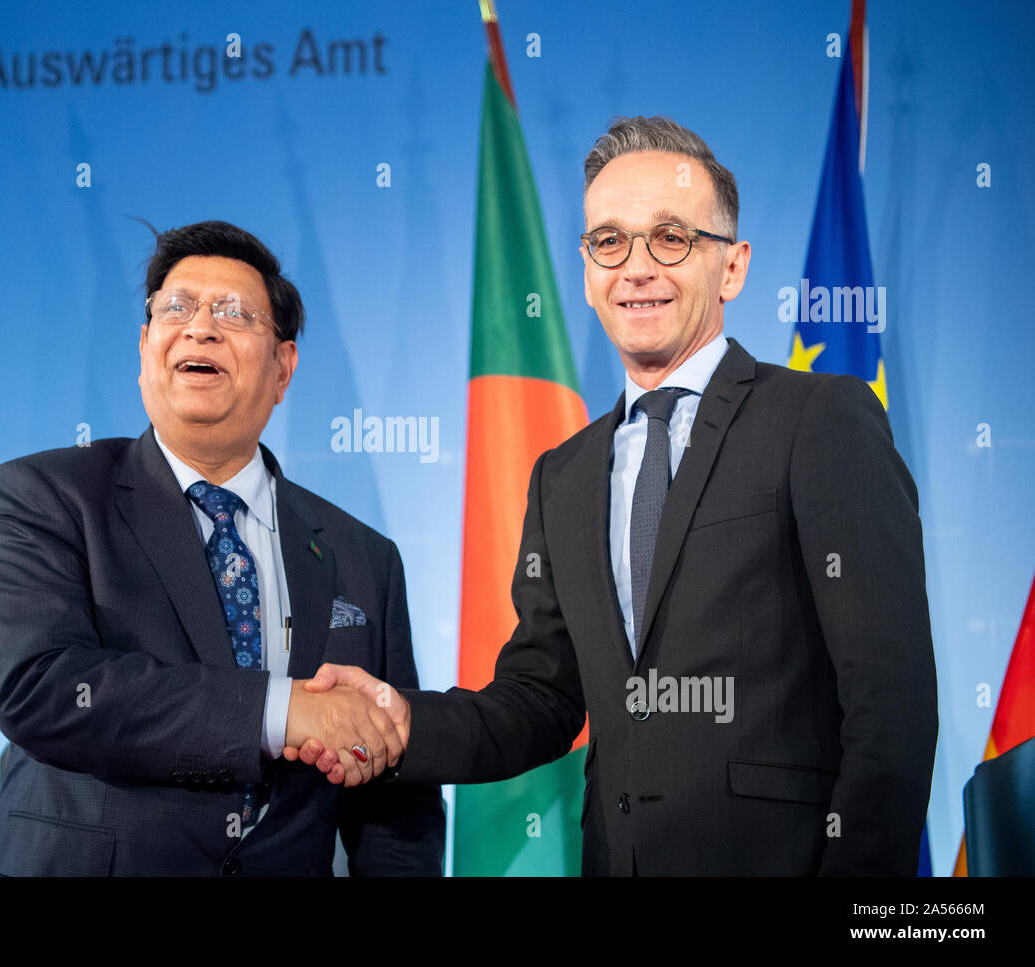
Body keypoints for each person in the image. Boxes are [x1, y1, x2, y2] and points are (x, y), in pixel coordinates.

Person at [293, 117, 938, 876]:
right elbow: (540, 699)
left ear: (731, 267)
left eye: (670, 237)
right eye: (609, 242)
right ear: (588, 271)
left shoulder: (821, 418)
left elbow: (890, 700)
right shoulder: (562, 474)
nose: (636, 267)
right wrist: (405, 723)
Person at [0, 220, 444, 876]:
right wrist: (283, 709)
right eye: (176, 307)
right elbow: (38, 685)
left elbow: (395, 797)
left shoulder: (366, 557)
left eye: (233, 313)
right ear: (145, 346)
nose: (200, 328)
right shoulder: (47, 495)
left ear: (283, 366)